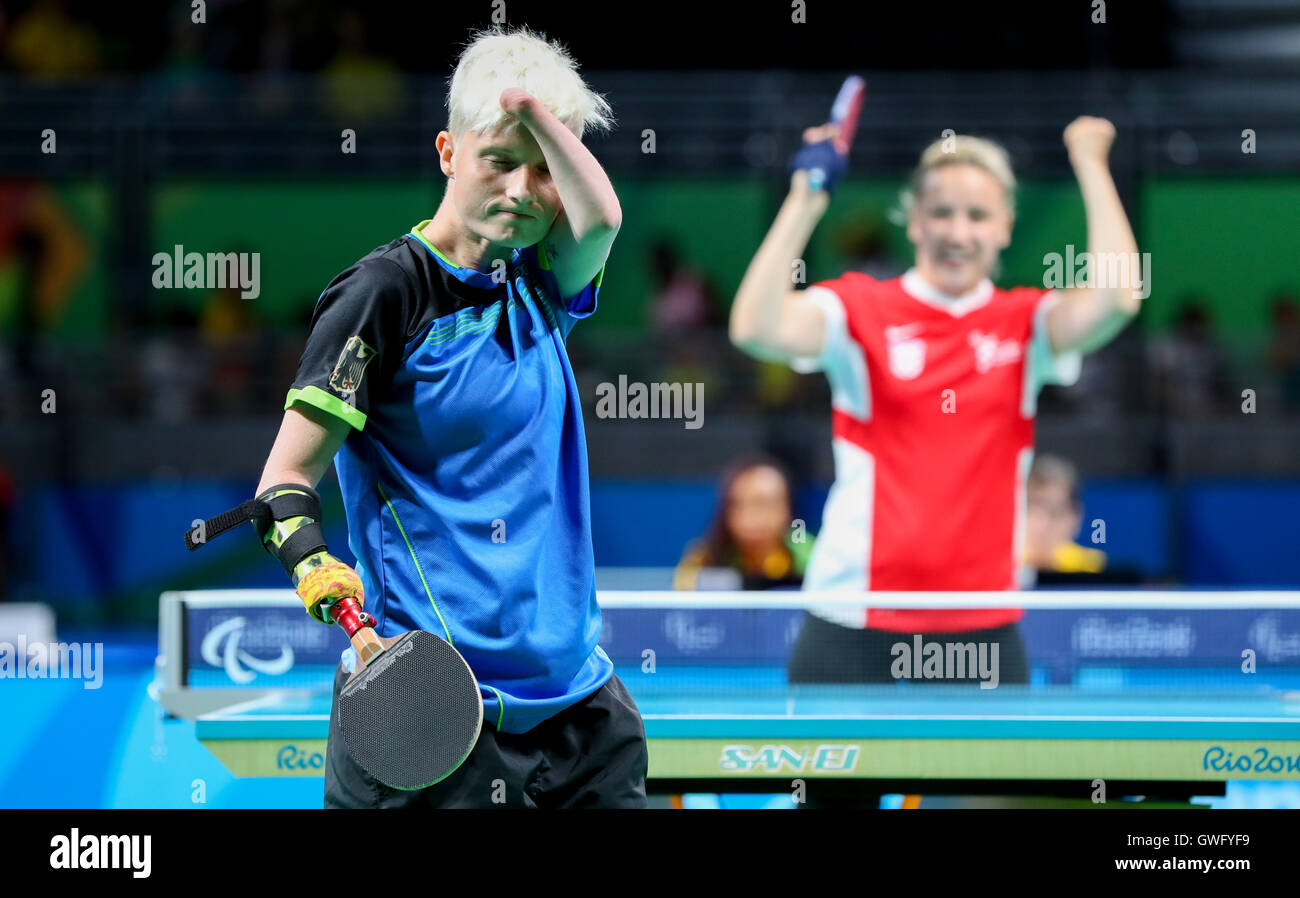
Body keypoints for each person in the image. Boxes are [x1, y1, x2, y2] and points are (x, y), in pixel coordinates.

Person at [191, 28, 645, 809]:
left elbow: (601, 218)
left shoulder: (539, 284)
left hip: (579, 710)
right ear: (446, 152)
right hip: (431, 709)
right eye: (499, 161)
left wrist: (534, 112)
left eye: (543, 170)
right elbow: (285, 479)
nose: (520, 190)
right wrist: (317, 573)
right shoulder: (384, 295)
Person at [730, 108, 1141, 731]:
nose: (958, 231)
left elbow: (1117, 297)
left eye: (978, 215)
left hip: (981, 625)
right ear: (915, 220)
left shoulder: (1024, 326)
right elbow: (755, 326)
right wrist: (804, 201)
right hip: (852, 619)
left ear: (1005, 227)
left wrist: (1090, 162)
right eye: (942, 212)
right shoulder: (858, 309)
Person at [674, 456, 812, 591]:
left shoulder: (813, 557)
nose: (751, 515)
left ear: (787, 509)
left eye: (763, 503)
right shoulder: (702, 559)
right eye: (739, 504)